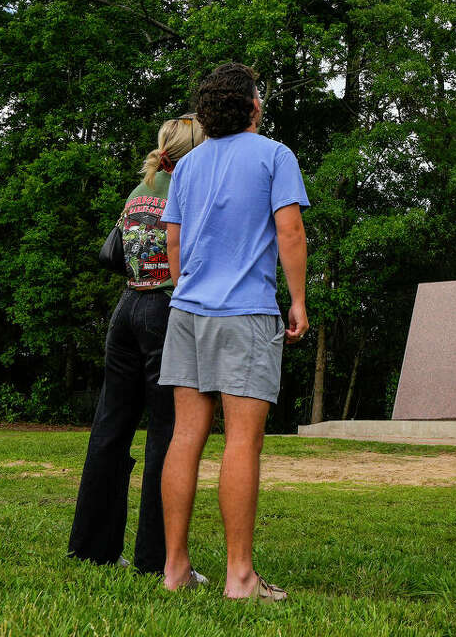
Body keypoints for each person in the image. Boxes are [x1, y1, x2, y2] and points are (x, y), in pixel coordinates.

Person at [158, 65, 309, 602]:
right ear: (250, 105)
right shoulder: (275, 155)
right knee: (242, 441)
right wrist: (297, 301)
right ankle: (239, 577)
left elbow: (172, 242)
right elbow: (289, 230)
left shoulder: (188, 165)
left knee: (185, 437)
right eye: (259, 93)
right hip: (244, 315)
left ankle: (174, 569)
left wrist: (188, 291)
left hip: (187, 313)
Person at [68, 114, 204, 575]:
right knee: (166, 436)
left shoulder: (139, 189)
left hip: (125, 308)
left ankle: (91, 547)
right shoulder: (188, 189)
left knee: (110, 429)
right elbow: (184, 255)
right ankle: (156, 558)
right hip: (163, 310)